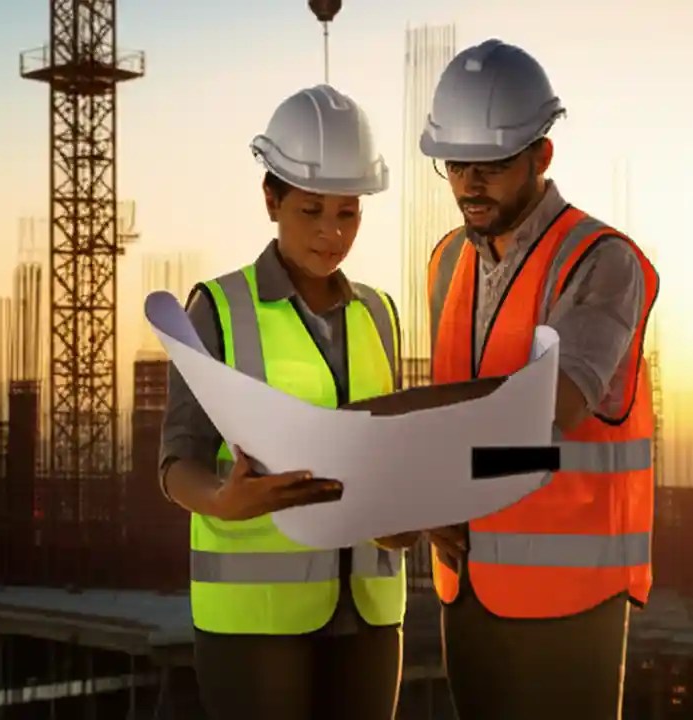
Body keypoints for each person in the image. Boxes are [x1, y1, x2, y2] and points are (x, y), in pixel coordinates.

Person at [417, 39, 660, 719]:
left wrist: (407, 449)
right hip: (464, 585)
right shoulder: (445, 263)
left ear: (540, 156)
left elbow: (550, 410)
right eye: (455, 165)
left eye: (490, 166)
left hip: (571, 599)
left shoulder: (602, 260)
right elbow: (451, 410)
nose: (469, 184)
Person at [159, 84, 414, 720]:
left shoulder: (379, 313)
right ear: (271, 199)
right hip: (256, 624)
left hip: (371, 612)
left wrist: (421, 510)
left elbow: (392, 452)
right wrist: (222, 499)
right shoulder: (217, 308)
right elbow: (177, 460)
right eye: (311, 210)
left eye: (348, 212)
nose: (332, 233)